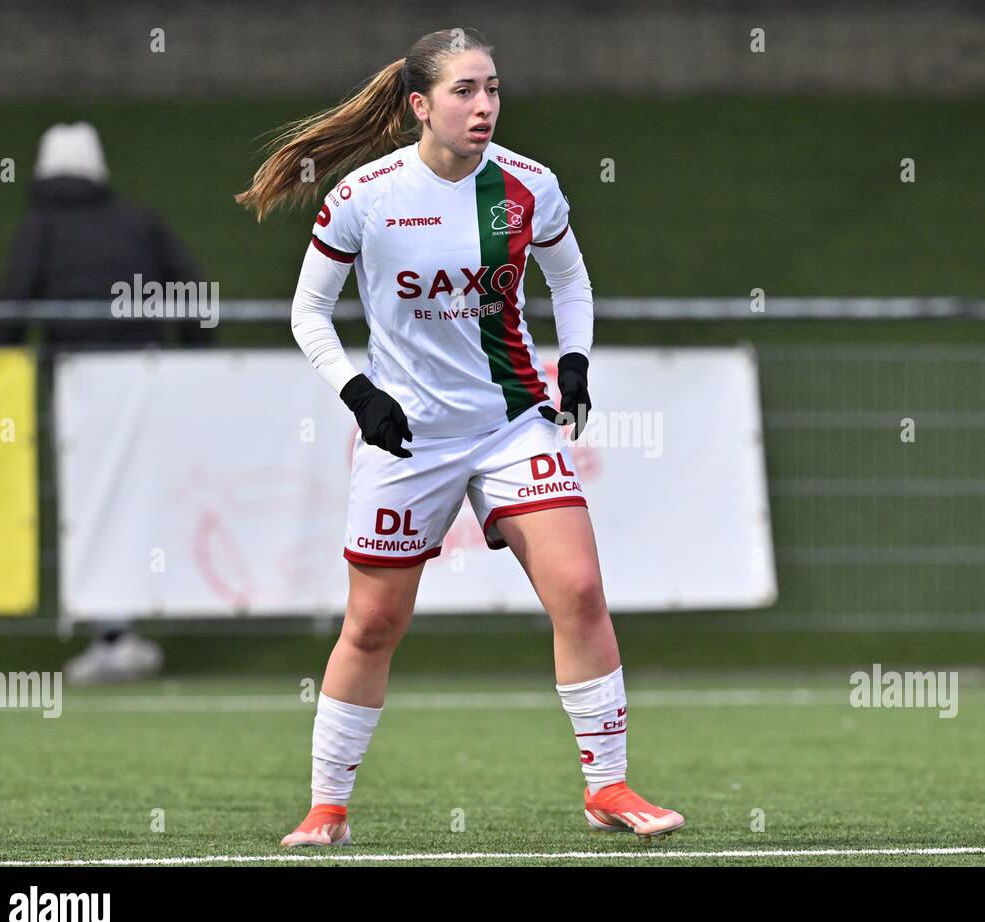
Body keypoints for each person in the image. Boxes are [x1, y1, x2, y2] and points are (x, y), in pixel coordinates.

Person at [236, 28, 684, 844]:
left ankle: (608, 790)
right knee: (372, 626)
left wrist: (574, 365)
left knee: (580, 592)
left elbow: (571, 278)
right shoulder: (365, 195)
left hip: (511, 422)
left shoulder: (529, 185)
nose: (484, 107)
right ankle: (327, 809)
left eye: (493, 90)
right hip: (408, 436)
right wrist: (360, 395)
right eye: (464, 92)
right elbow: (307, 312)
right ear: (420, 105)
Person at [0, 121, 206, 684]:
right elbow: (189, 289)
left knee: (90, 505)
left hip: (80, 383)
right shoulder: (139, 221)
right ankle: (125, 629)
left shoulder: (40, 227)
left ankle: (112, 634)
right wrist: (200, 358)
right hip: (144, 376)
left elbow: (12, 304)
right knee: (136, 500)